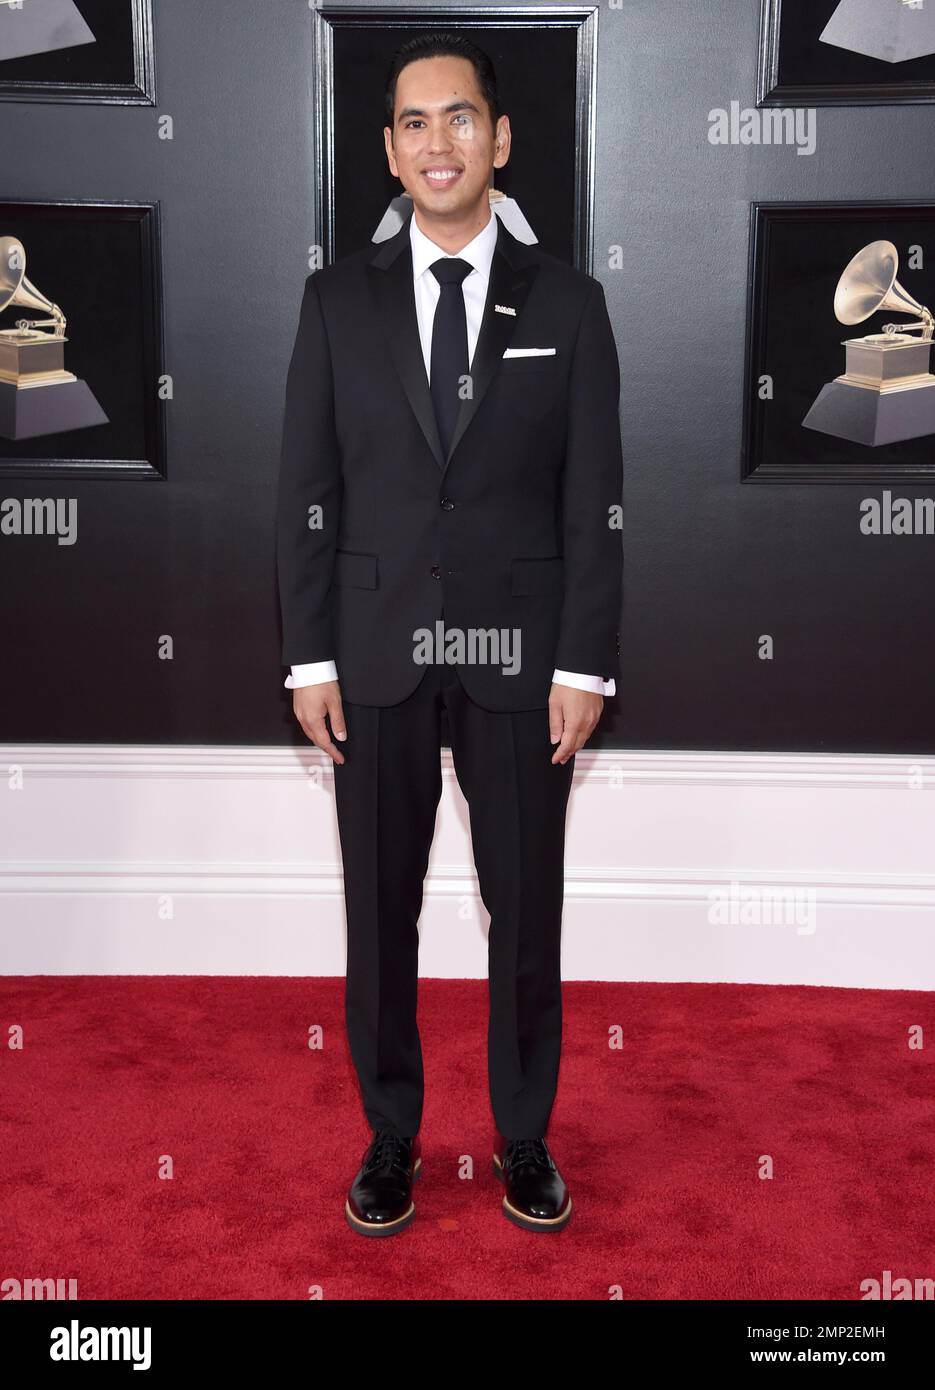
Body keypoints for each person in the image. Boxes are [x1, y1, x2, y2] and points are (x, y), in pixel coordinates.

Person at [276, 31, 623, 1236]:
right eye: (415, 123)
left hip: (525, 664)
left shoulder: (569, 304)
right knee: (380, 912)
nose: (439, 142)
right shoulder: (333, 301)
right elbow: (304, 489)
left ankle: (523, 1136)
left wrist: (582, 662)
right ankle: (391, 1135)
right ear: (387, 149)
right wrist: (308, 655)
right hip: (370, 653)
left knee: (524, 908)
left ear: (500, 139)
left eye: (460, 118)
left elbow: (594, 501)